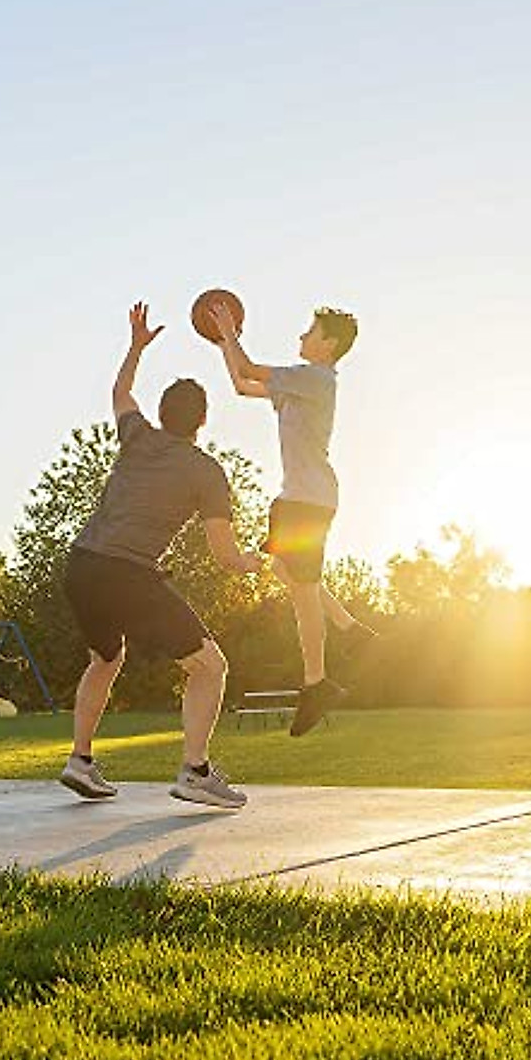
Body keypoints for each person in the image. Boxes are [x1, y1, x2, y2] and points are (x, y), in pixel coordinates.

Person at [60, 302, 263, 810]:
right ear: (203, 420)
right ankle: (195, 771)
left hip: (81, 564)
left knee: (106, 658)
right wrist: (253, 562)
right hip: (126, 572)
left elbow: (120, 392)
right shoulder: (205, 471)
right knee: (210, 666)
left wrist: (136, 346)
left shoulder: (137, 436)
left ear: (161, 413)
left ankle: (80, 761)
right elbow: (224, 555)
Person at [209, 300, 374, 737]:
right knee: (284, 568)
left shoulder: (315, 378)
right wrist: (222, 342)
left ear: (329, 344)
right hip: (297, 499)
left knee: (302, 592)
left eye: (310, 331)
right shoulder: (299, 384)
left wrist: (230, 333)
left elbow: (249, 366)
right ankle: (349, 628)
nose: (302, 336)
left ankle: (316, 683)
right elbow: (242, 384)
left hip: (309, 500)